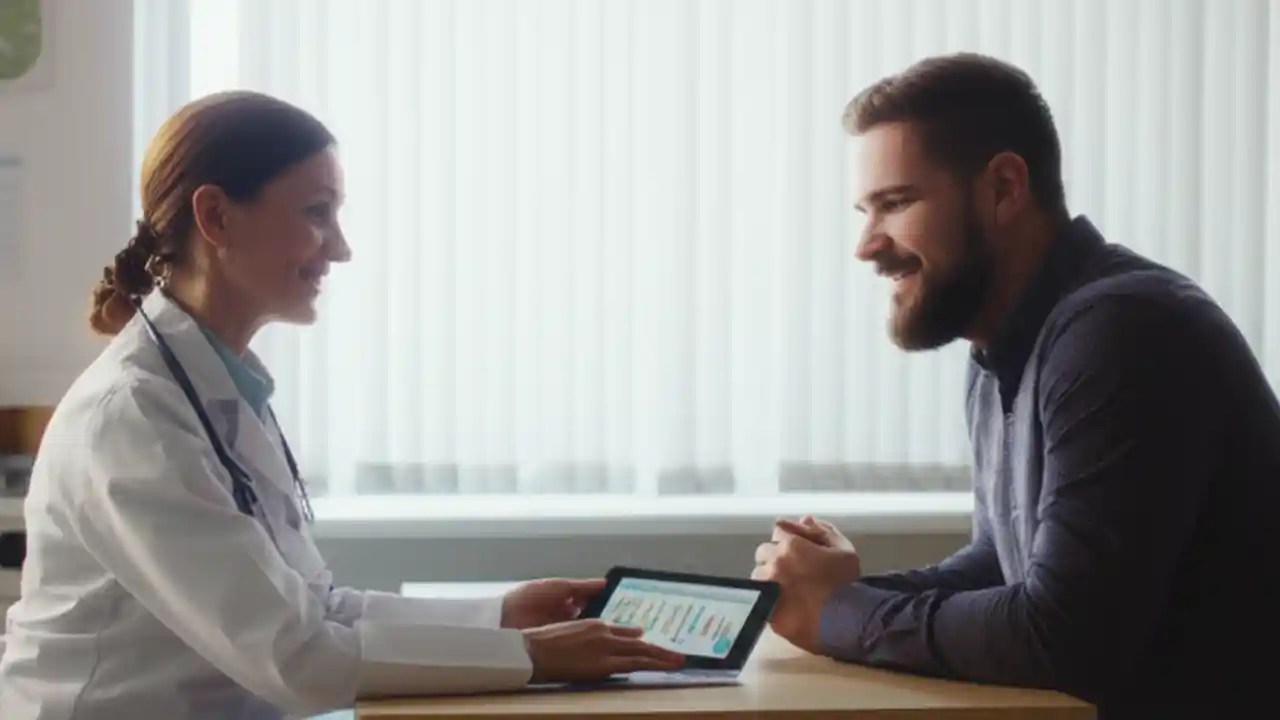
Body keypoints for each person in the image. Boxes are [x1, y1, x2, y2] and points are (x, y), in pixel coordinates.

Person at [0, 91, 683, 719]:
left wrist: (501, 615)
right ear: (215, 216)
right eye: (316, 212)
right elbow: (298, 660)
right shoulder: (131, 419)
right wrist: (533, 657)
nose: (342, 248)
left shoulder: (218, 389)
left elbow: (316, 610)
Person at [751, 53, 1280, 717]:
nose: (865, 244)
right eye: (865, 209)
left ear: (1003, 188)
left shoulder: (1122, 331)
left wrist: (843, 612)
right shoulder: (1003, 347)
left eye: (895, 203)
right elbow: (1004, 564)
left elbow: (1064, 635)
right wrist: (815, 596)